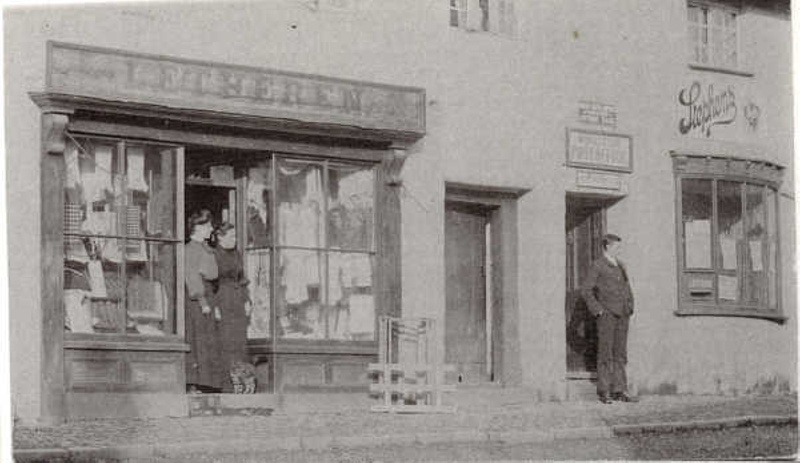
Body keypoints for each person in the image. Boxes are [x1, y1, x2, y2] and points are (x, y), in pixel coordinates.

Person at [581, 233, 638, 404]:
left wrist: (630, 306)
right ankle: (604, 390)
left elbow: (627, 287)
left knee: (620, 353)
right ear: (608, 246)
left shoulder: (620, 265)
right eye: (617, 246)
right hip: (607, 315)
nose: (620, 250)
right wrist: (598, 310)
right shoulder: (598, 265)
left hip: (622, 314)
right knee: (605, 353)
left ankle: (620, 389)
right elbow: (586, 290)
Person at [184, 209, 224, 393]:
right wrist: (203, 302)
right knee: (198, 338)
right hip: (198, 298)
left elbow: (213, 273)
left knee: (209, 339)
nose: (211, 229)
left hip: (209, 294)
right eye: (207, 225)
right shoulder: (191, 248)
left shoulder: (206, 248)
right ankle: (196, 382)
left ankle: (209, 382)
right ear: (198, 227)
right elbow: (192, 276)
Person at [211, 222, 253, 392]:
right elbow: (211, 283)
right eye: (231, 236)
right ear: (220, 237)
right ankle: (227, 383)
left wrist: (247, 299)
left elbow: (242, 278)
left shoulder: (236, 254)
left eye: (235, 236)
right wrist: (215, 306)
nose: (235, 239)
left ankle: (242, 382)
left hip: (237, 300)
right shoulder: (214, 255)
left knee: (239, 341)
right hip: (223, 298)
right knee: (226, 341)